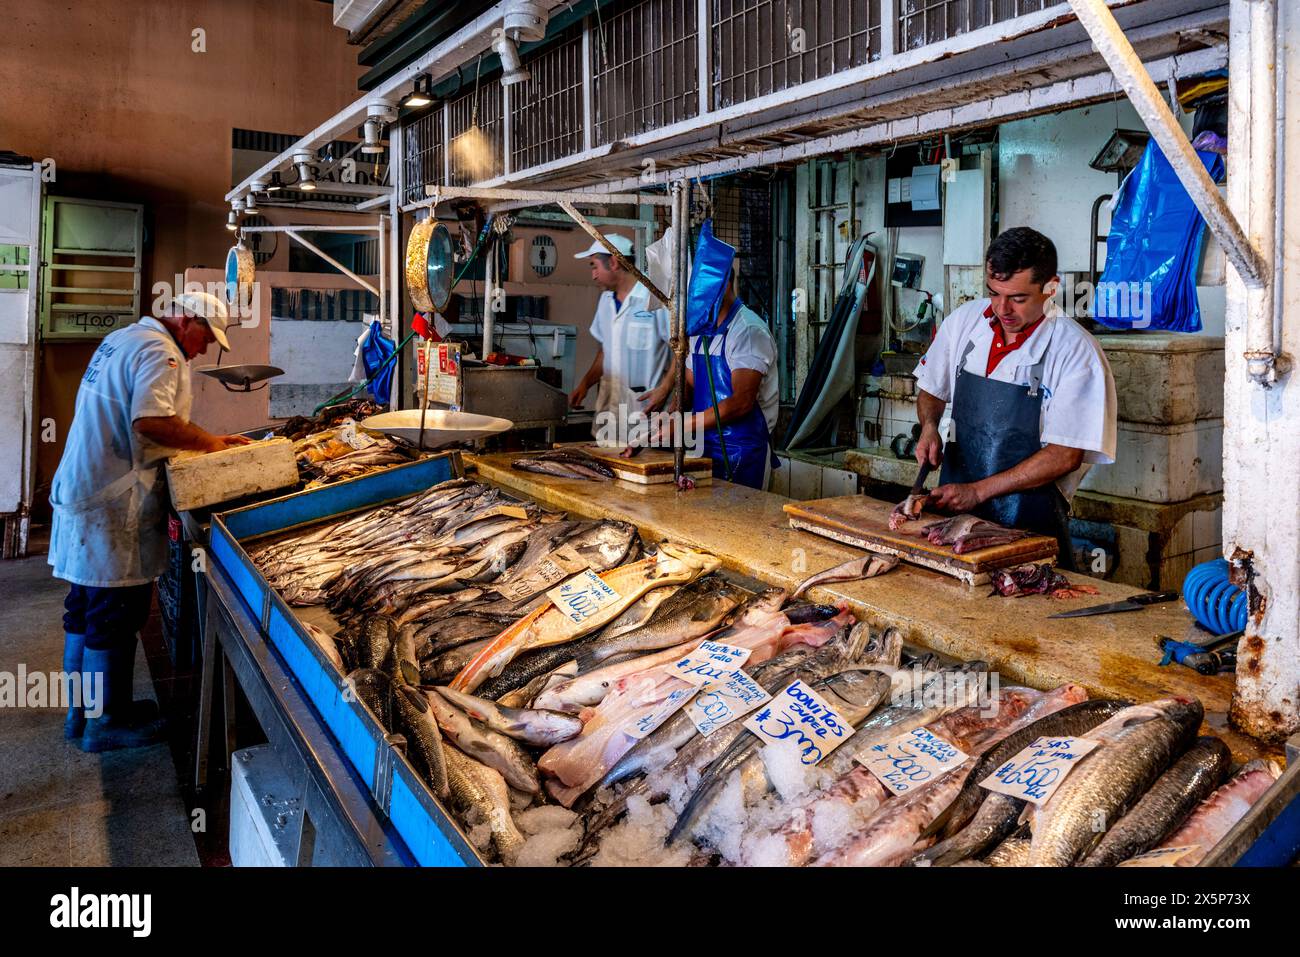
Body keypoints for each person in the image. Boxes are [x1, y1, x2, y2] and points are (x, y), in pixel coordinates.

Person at [49, 291, 251, 752]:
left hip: (86, 492)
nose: (202, 350)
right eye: (204, 338)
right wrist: (211, 446)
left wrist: (210, 439)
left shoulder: (125, 338)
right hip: (112, 502)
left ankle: (83, 714)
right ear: (185, 320)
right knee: (113, 616)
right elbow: (150, 423)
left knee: (84, 607)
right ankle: (106, 724)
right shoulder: (163, 353)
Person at [912, 227, 1117, 567]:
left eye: (1018, 298)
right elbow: (932, 388)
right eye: (994, 293)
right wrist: (930, 426)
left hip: (1029, 527)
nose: (1002, 308)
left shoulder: (1075, 351)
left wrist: (977, 491)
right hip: (953, 521)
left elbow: (1065, 455)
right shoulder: (964, 322)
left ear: (1051, 287)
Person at [646, 263, 779, 489]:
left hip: (743, 451)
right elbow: (688, 386)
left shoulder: (747, 330)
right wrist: (670, 419)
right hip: (703, 446)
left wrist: (682, 425)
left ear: (725, 284)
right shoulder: (699, 331)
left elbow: (741, 403)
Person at [567, 234, 673, 447]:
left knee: (643, 467)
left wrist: (664, 390)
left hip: (644, 409)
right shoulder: (606, 301)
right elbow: (605, 351)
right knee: (606, 467)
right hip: (610, 406)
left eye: (595, 266)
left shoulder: (654, 298)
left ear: (614, 263)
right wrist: (585, 384)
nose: (593, 275)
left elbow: (682, 351)